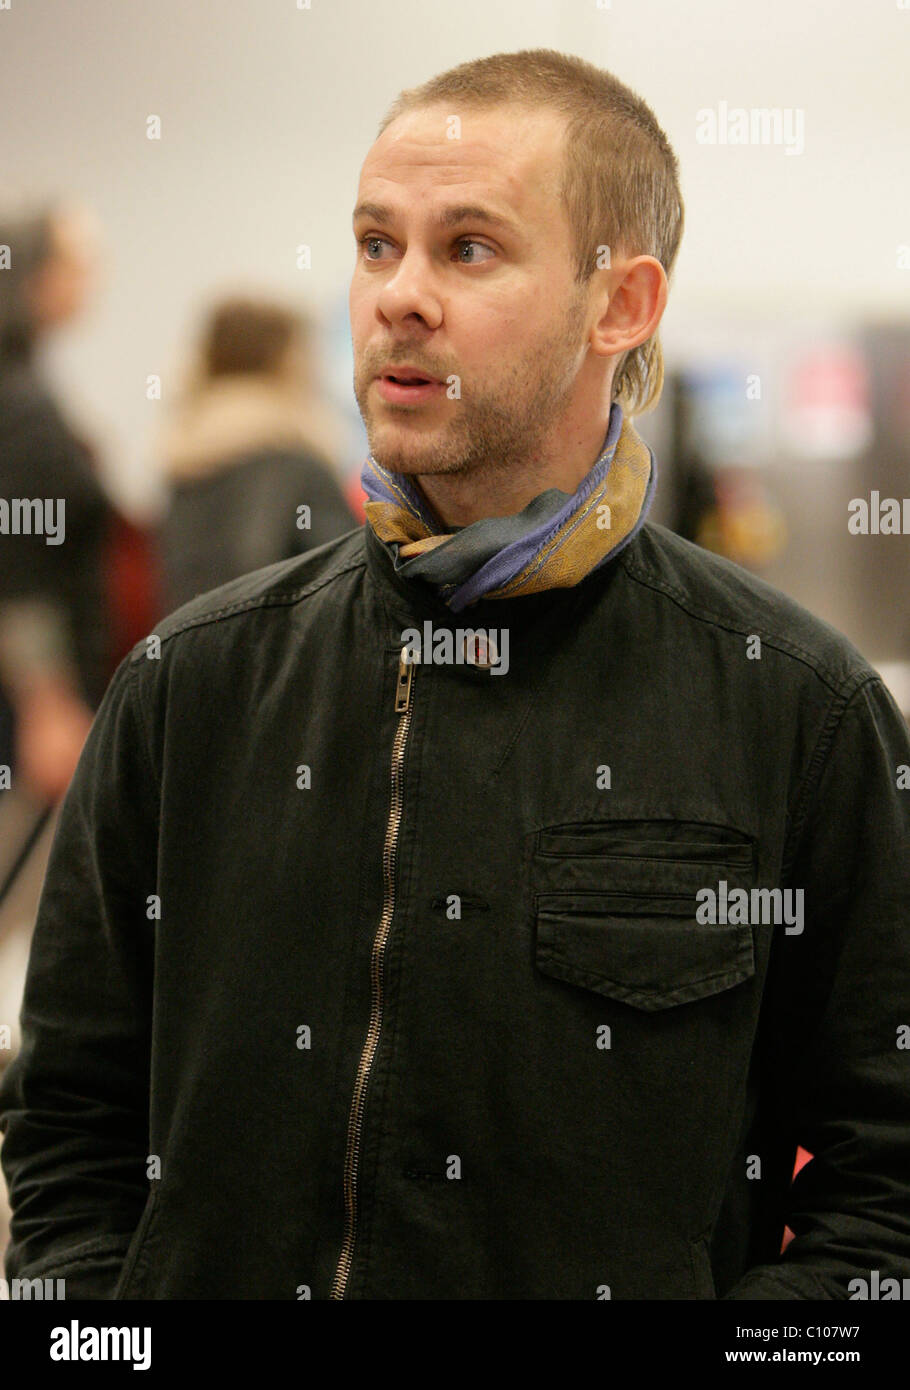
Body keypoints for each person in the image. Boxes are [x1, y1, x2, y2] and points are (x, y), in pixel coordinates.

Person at [1, 48, 909, 1301]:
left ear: (621, 303)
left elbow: (886, 1185)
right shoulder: (188, 684)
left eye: (469, 249)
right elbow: (64, 1128)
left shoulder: (798, 710)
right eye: (378, 244)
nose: (398, 298)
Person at [0, 203, 115, 805]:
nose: (92, 278)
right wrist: (44, 699)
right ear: (32, 277)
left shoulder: (26, 383)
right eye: (77, 264)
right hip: (26, 703)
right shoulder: (18, 400)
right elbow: (17, 557)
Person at [154, 296, 356, 612]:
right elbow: (349, 587)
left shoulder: (186, 458)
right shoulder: (296, 459)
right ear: (285, 360)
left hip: (189, 649)